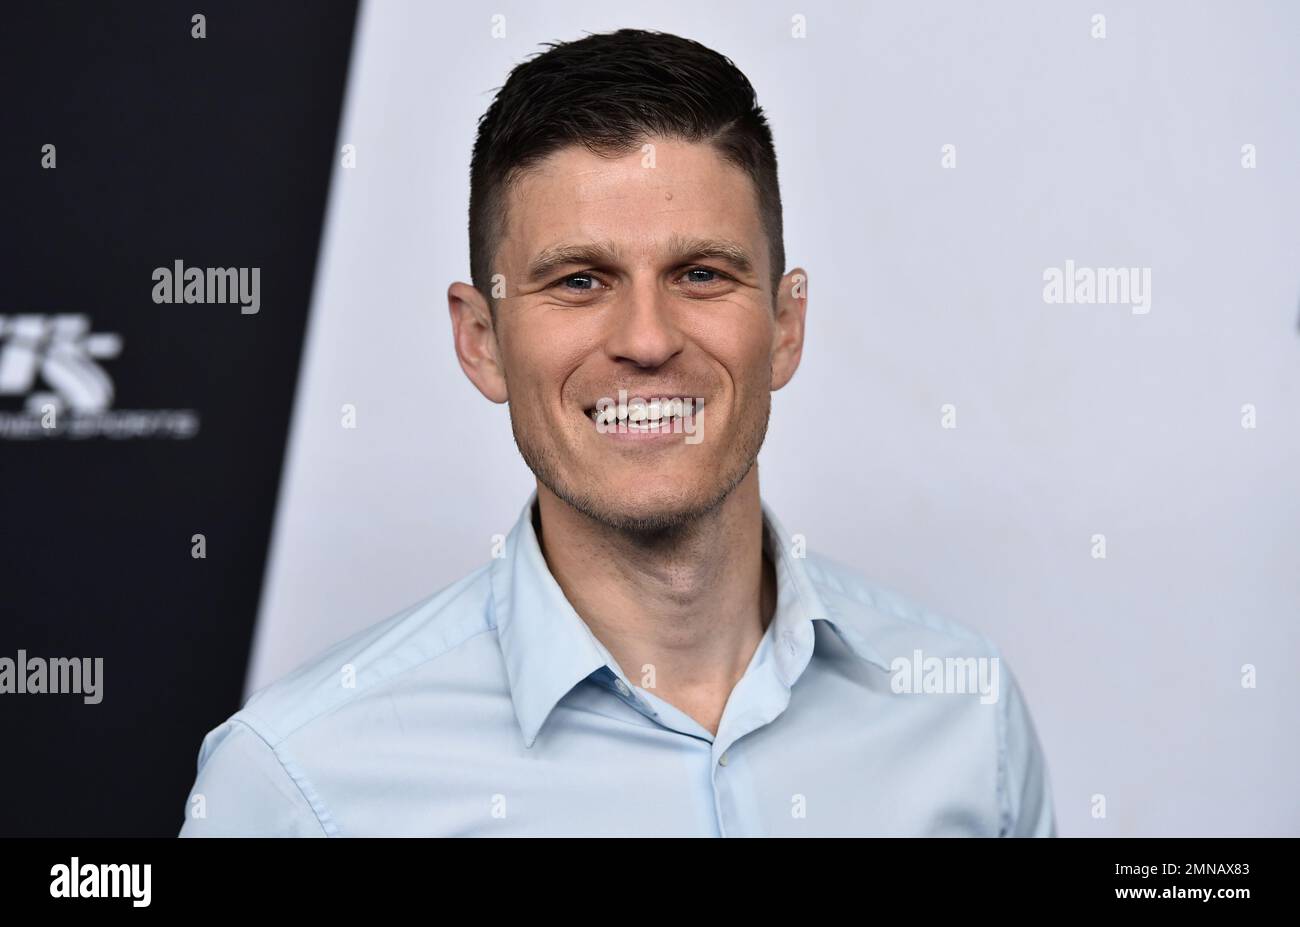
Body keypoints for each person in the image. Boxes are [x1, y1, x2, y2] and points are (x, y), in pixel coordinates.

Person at [180, 28, 1055, 837]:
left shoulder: (966, 715)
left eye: (702, 273)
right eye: (580, 281)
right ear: (480, 340)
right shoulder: (299, 784)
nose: (646, 339)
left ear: (786, 326)